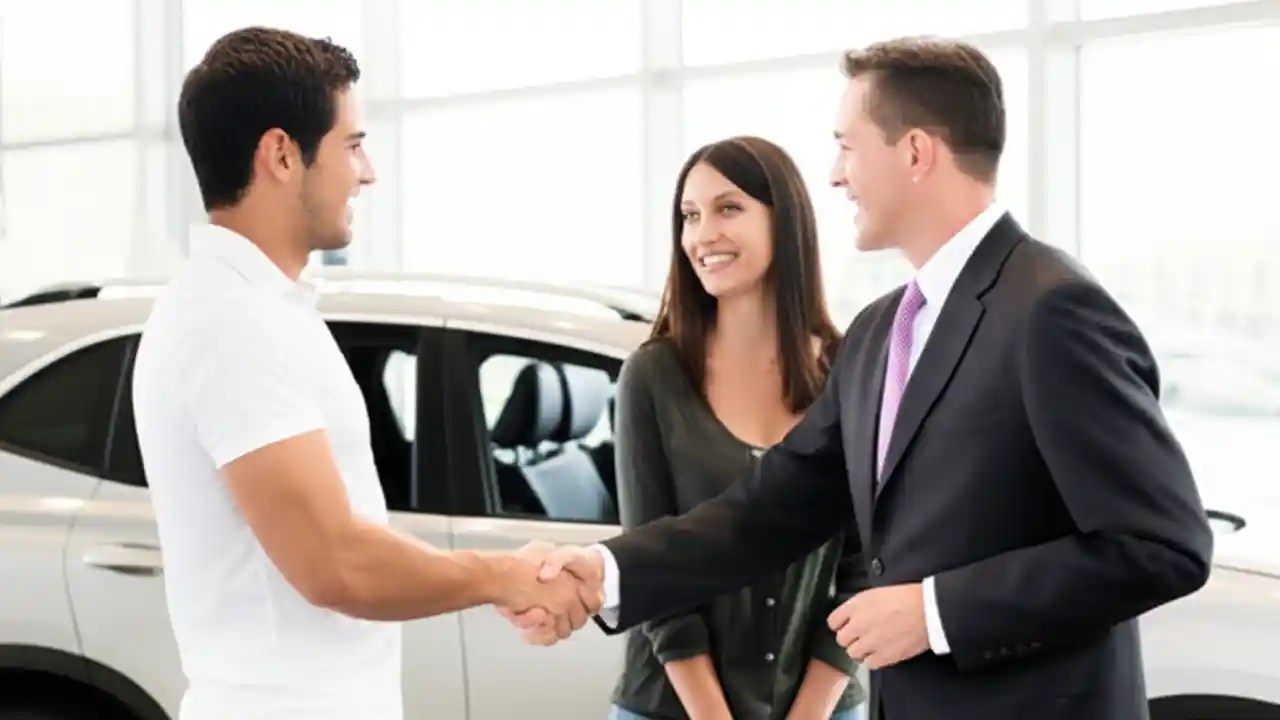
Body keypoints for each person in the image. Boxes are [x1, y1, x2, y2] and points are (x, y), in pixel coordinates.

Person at [507, 36, 1214, 720]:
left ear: (915, 152)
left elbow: (1159, 544)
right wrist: (604, 572)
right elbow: (768, 510)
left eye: (846, 145)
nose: (836, 174)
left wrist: (934, 612)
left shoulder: (1050, 309)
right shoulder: (881, 331)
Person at [132, 27, 595, 720]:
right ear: (282, 155)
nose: (367, 171)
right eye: (352, 145)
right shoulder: (231, 322)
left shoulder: (262, 308)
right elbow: (335, 562)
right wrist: (502, 575)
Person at [607, 136, 865, 720]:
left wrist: (810, 713)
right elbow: (651, 574)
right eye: (690, 216)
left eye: (728, 208)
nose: (702, 235)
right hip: (672, 710)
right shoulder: (653, 376)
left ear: (786, 220)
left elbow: (863, 565)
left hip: (824, 709)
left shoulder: (849, 369)